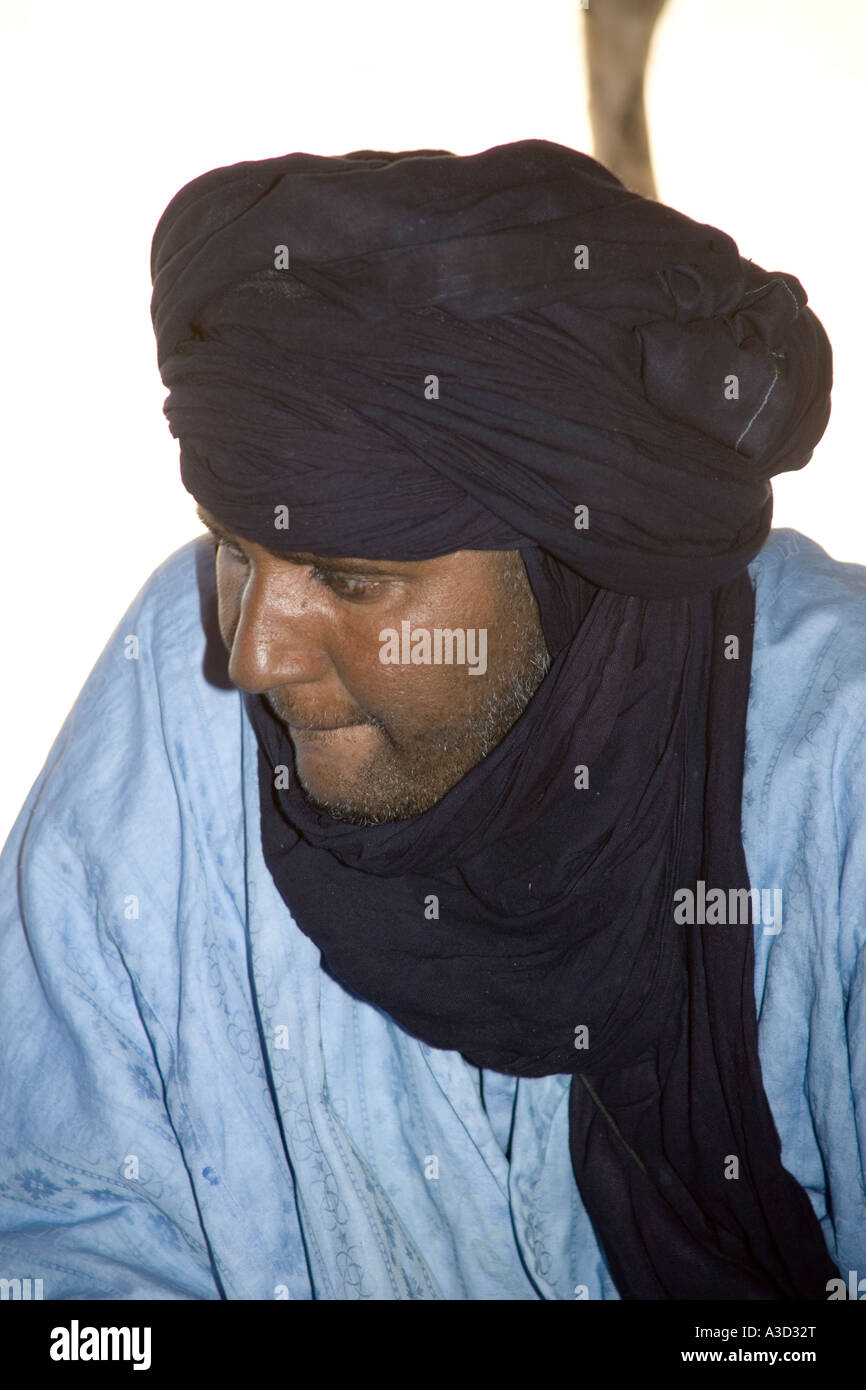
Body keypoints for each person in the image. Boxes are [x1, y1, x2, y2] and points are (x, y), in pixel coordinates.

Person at [1, 139, 864, 1301]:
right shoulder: (175, 686)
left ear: (572, 565)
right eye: (234, 551)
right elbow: (54, 1233)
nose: (253, 653)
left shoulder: (834, 766)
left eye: (351, 582)